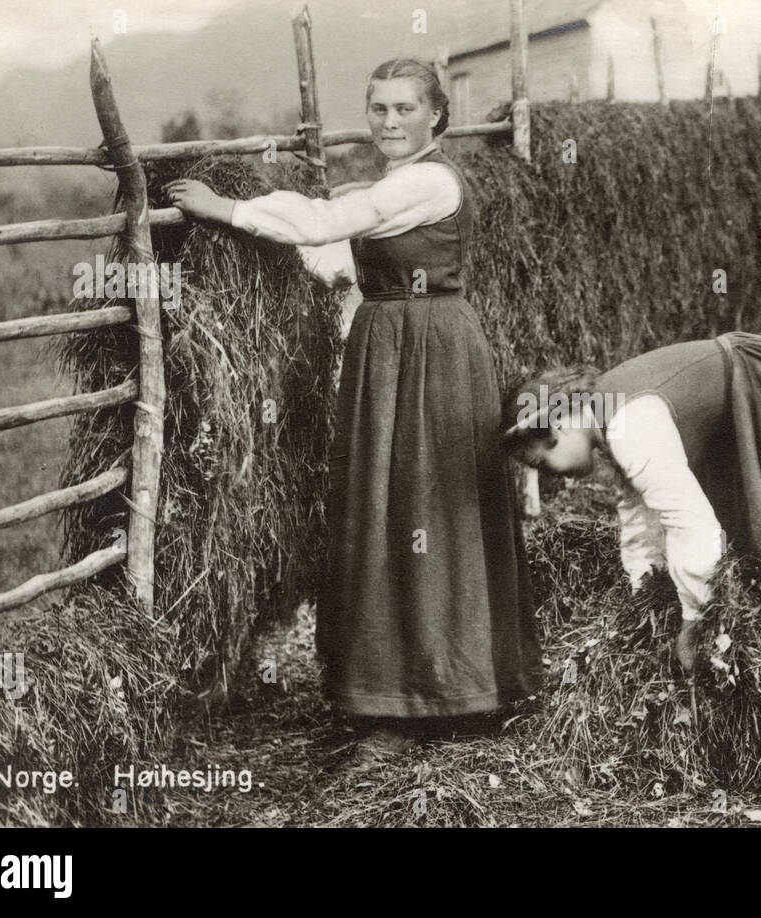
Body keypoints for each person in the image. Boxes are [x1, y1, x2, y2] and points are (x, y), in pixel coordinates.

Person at [166, 59, 542, 763]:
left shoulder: (429, 181)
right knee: (387, 507)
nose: (390, 123)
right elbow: (335, 247)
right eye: (378, 110)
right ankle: (394, 693)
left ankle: (445, 694)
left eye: (405, 109)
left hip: (432, 351)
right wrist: (274, 235)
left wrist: (226, 209)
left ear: (437, 116)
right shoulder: (397, 186)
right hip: (389, 347)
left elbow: (333, 218)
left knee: (430, 509)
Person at [501, 332, 761, 734]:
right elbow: (640, 517)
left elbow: (688, 522)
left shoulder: (629, 425)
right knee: (747, 542)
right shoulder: (606, 417)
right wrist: (643, 601)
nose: (556, 477)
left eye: (546, 463)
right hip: (747, 409)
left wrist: (695, 621)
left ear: (558, 425)